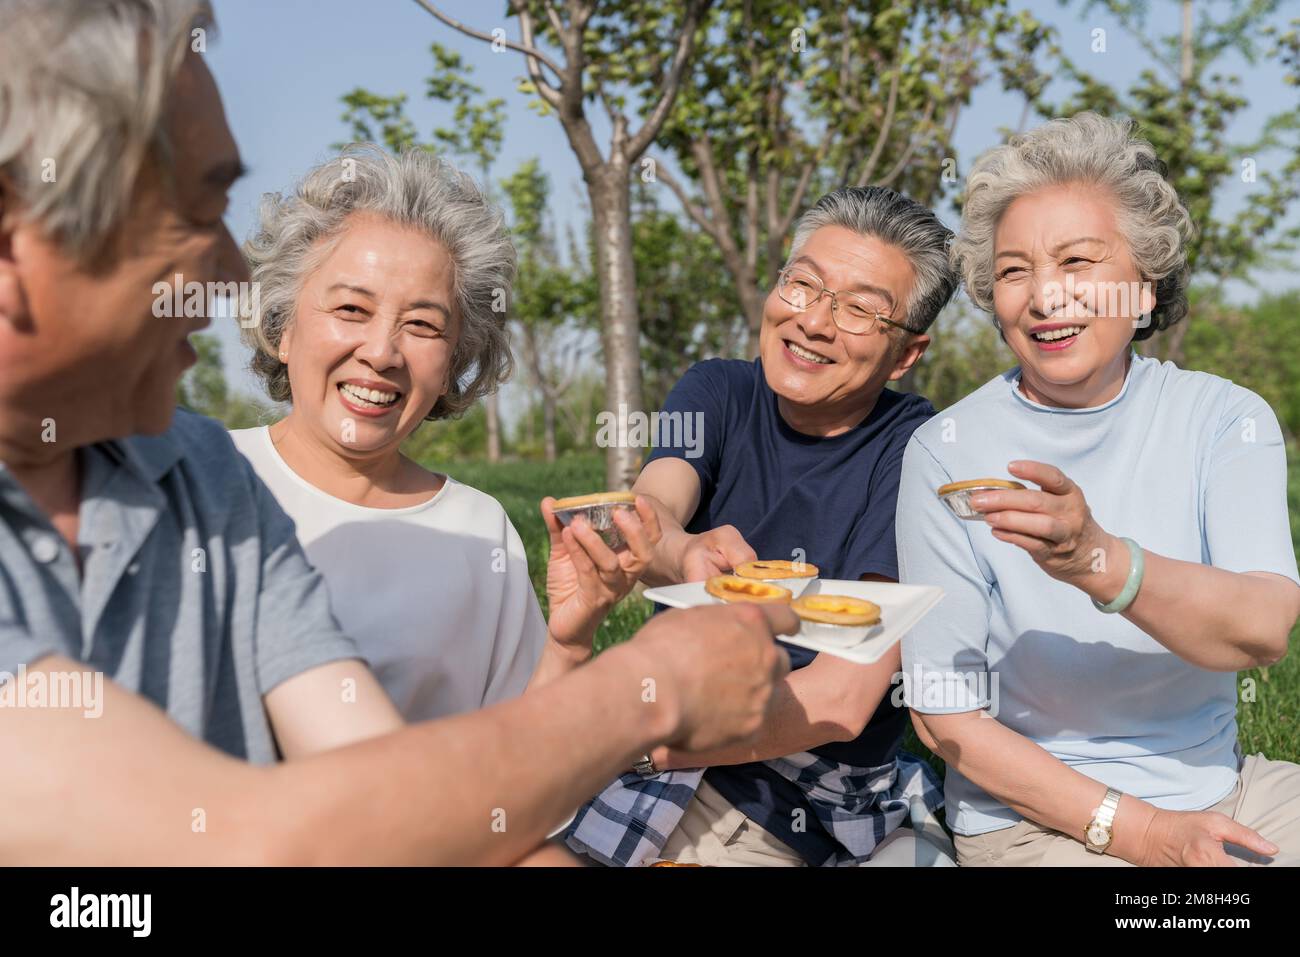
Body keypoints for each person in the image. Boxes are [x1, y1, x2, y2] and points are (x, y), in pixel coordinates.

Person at [0, 0, 791, 865]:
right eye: (192, 211)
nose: (227, 270)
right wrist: (651, 688)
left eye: (423, 324)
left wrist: (584, 663)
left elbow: (383, 793)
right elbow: (236, 836)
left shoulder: (211, 484)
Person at [897, 111, 1300, 867]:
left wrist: (1096, 560)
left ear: (1144, 289)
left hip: (1225, 788)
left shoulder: (1225, 420)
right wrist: (1144, 831)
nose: (1046, 297)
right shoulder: (945, 450)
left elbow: (1265, 627)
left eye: (1076, 261)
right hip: (1034, 821)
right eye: (1014, 271)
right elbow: (945, 718)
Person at [566, 187, 958, 867]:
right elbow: (652, 509)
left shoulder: (912, 450)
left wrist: (638, 738)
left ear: (904, 355)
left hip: (792, 784)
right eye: (804, 284)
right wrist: (686, 548)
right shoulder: (718, 390)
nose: (814, 322)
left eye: (860, 309)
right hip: (672, 738)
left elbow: (840, 698)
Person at [231, 145, 660, 717]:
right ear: (282, 329)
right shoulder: (205, 483)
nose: (382, 353)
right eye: (352, 311)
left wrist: (568, 644)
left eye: (422, 325)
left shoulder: (479, 532)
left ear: (456, 359)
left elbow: (516, 763)